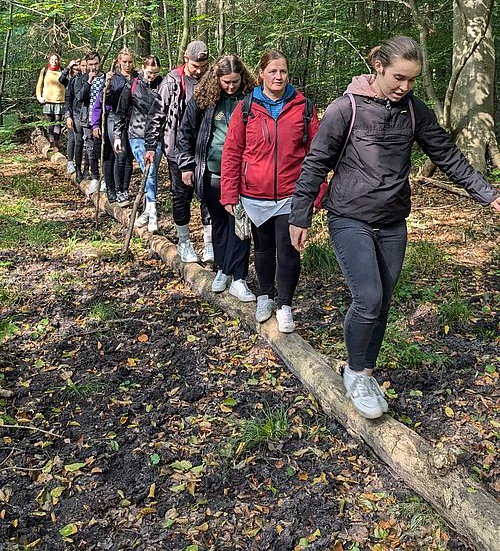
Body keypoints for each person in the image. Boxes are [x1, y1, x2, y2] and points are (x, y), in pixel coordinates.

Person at [289, 35, 500, 419]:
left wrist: (487, 193)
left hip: (392, 221)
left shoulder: (414, 111)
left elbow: (446, 154)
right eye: (399, 77)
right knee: (367, 298)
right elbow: (316, 162)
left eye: (412, 80)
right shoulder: (346, 108)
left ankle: (365, 374)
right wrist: (299, 215)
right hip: (349, 216)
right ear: (379, 67)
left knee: (383, 300)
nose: (405, 87)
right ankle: (353, 373)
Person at [220, 49, 323, 332]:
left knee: (289, 250)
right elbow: (232, 151)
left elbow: (317, 153)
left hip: (293, 193)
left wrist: (318, 190)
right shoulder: (247, 107)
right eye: (273, 71)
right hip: (255, 194)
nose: (279, 76)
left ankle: (285, 305)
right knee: (263, 248)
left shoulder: (303, 106)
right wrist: (229, 192)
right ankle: (265, 295)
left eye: (283, 71)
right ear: (262, 73)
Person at [177, 55, 256, 300]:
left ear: (242, 78)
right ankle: (222, 270)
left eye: (234, 81)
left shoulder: (252, 99)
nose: (230, 86)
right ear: (216, 78)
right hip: (212, 172)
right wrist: (186, 165)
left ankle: (240, 278)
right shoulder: (204, 99)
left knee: (240, 226)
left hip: (243, 175)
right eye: (226, 82)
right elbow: (186, 132)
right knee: (219, 223)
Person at [144, 40, 213, 263]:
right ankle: (184, 242)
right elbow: (156, 114)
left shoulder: (211, 79)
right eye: (195, 66)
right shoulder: (172, 81)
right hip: (176, 149)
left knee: (208, 196)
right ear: (186, 59)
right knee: (181, 196)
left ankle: (209, 243)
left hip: (205, 149)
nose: (199, 70)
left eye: (203, 65)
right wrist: (150, 146)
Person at [114, 55, 163, 232]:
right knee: (148, 171)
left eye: (156, 72)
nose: (152, 76)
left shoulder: (163, 84)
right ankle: (153, 211)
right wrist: (118, 135)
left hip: (157, 136)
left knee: (152, 173)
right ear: (143, 69)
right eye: (150, 72)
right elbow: (120, 112)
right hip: (136, 134)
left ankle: (147, 211)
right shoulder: (132, 85)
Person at [92, 48, 136, 204]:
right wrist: (108, 87)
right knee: (118, 154)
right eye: (124, 62)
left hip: (132, 120)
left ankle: (124, 189)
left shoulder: (137, 78)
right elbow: (103, 100)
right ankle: (113, 189)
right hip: (114, 118)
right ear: (119, 62)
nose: (127, 65)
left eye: (130, 62)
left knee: (129, 157)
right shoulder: (113, 78)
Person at [73, 51, 105, 195]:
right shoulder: (82, 79)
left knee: (104, 150)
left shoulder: (106, 78)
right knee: (90, 150)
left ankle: (105, 178)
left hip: (104, 120)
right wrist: (89, 81)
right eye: (91, 64)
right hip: (87, 120)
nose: (94, 67)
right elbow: (79, 97)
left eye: (96, 64)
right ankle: (95, 178)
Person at [35, 53, 66, 147]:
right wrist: (40, 98)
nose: (54, 61)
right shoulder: (44, 71)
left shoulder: (63, 71)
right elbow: (39, 86)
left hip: (60, 101)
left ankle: (55, 144)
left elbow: (67, 85)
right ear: (49, 60)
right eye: (52, 59)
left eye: (56, 59)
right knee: (50, 124)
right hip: (47, 101)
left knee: (58, 123)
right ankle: (51, 142)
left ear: (59, 60)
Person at [62, 58, 83, 174]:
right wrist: (68, 66)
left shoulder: (85, 79)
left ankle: (80, 166)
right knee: (72, 138)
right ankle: (70, 162)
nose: (77, 68)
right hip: (71, 111)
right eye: (74, 67)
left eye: (78, 66)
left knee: (80, 141)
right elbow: (61, 79)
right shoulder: (70, 80)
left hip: (82, 114)